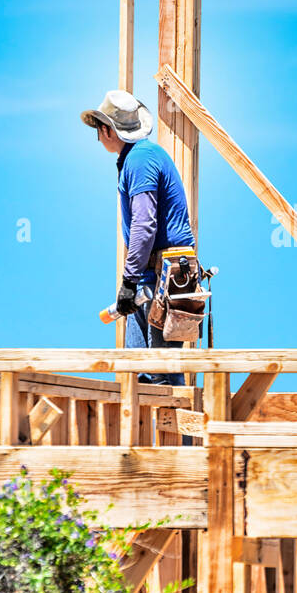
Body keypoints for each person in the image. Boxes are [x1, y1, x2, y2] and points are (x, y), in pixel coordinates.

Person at [81, 89, 195, 384]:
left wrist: (128, 282)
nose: (98, 136)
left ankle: (184, 433)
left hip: (163, 275)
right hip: (152, 277)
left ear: (107, 129)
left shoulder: (140, 161)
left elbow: (145, 225)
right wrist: (134, 282)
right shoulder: (141, 156)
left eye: (98, 129)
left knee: (161, 373)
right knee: (141, 374)